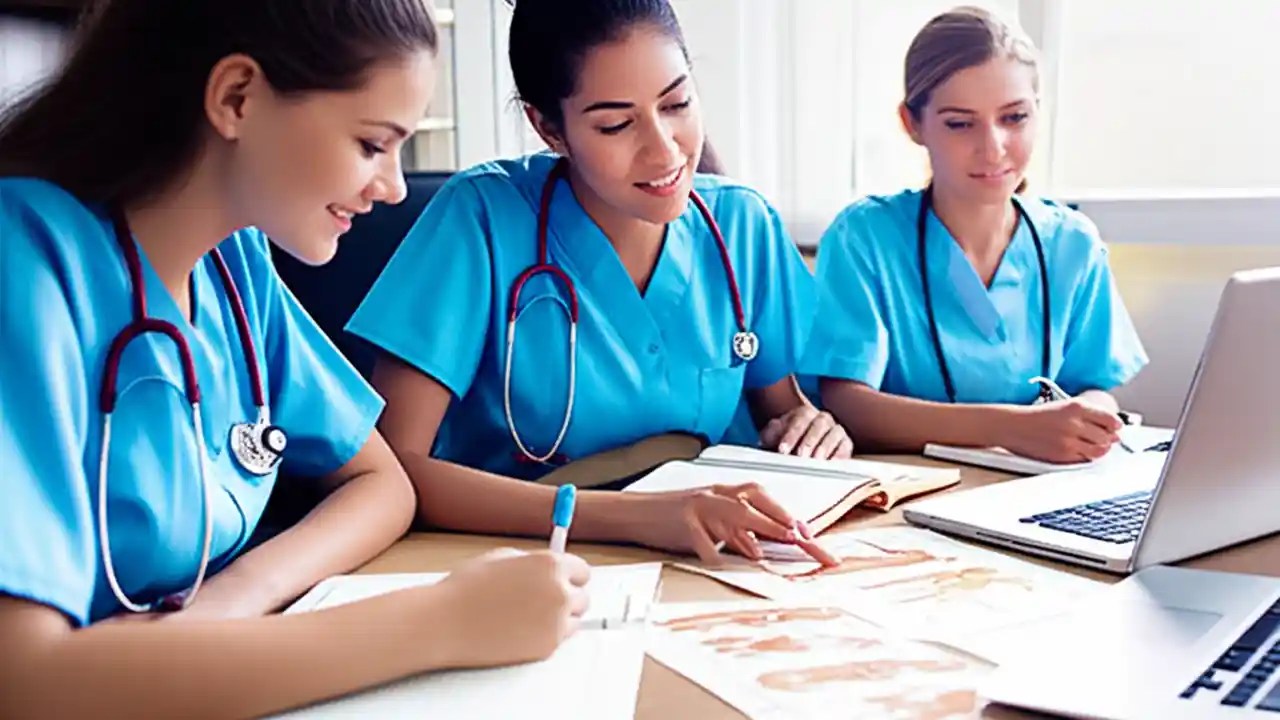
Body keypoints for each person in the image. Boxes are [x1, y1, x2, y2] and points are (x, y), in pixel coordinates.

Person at [0, 1, 589, 716]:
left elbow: (381, 482)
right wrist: (440, 623)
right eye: (372, 144)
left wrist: (232, 601)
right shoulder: (23, 259)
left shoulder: (234, 266)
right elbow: (24, 679)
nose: (394, 187)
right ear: (237, 98)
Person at [346, 0, 846, 566]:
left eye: (677, 103)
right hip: (516, 563)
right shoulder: (479, 219)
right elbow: (392, 469)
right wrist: (635, 519)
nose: (665, 149)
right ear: (548, 127)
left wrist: (808, 427)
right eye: (616, 124)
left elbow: (780, 411)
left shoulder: (741, 224)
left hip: (703, 561)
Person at [801, 6, 1148, 464]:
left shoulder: (1072, 244)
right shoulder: (865, 238)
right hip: (912, 487)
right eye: (960, 123)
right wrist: (1011, 428)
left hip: (1040, 486)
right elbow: (848, 404)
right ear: (913, 124)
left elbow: (1095, 386)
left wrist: (1087, 420)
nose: (993, 148)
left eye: (1014, 118)